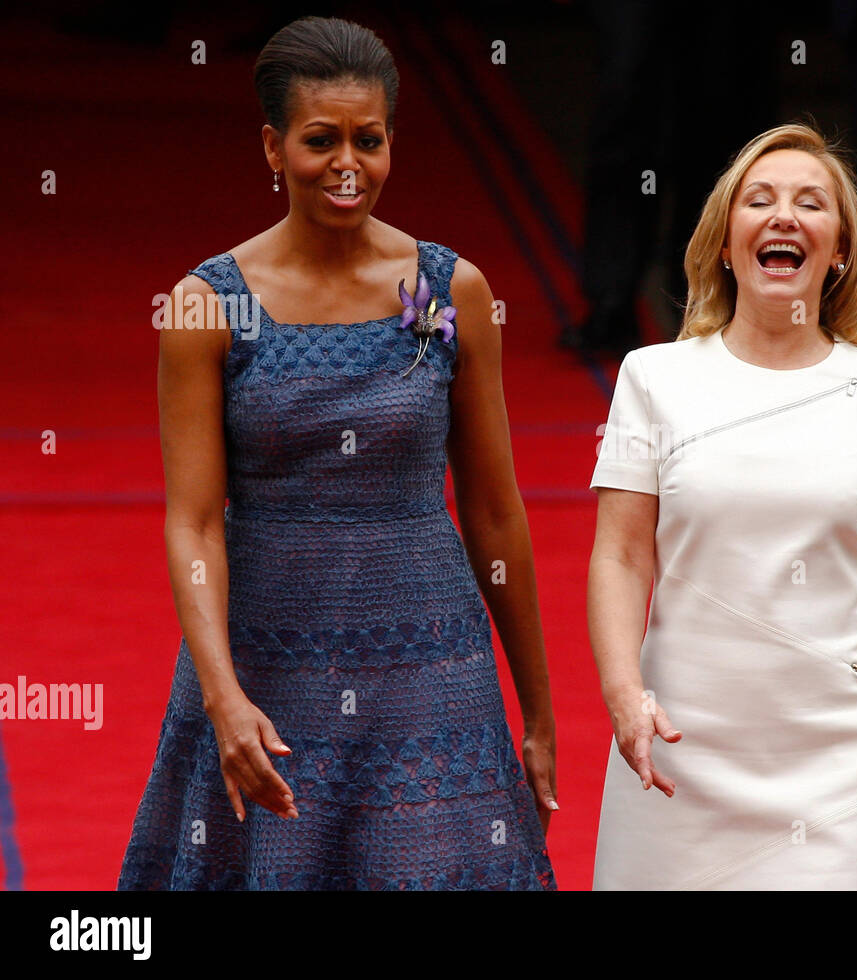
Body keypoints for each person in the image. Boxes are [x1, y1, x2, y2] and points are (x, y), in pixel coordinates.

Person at [118, 16, 557, 890]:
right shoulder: (207, 305)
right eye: (322, 141)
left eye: (371, 139)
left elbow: (496, 510)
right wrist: (221, 693)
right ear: (274, 149)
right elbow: (196, 522)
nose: (348, 164)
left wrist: (538, 707)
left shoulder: (449, 290)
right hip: (267, 662)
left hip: (431, 663)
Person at [587, 122, 857, 889]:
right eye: (758, 201)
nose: (783, 217)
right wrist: (623, 696)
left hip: (846, 765)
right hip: (681, 754)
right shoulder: (653, 378)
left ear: (838, 251)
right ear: (726, 244)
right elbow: (622, 554)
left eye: (811, 203)